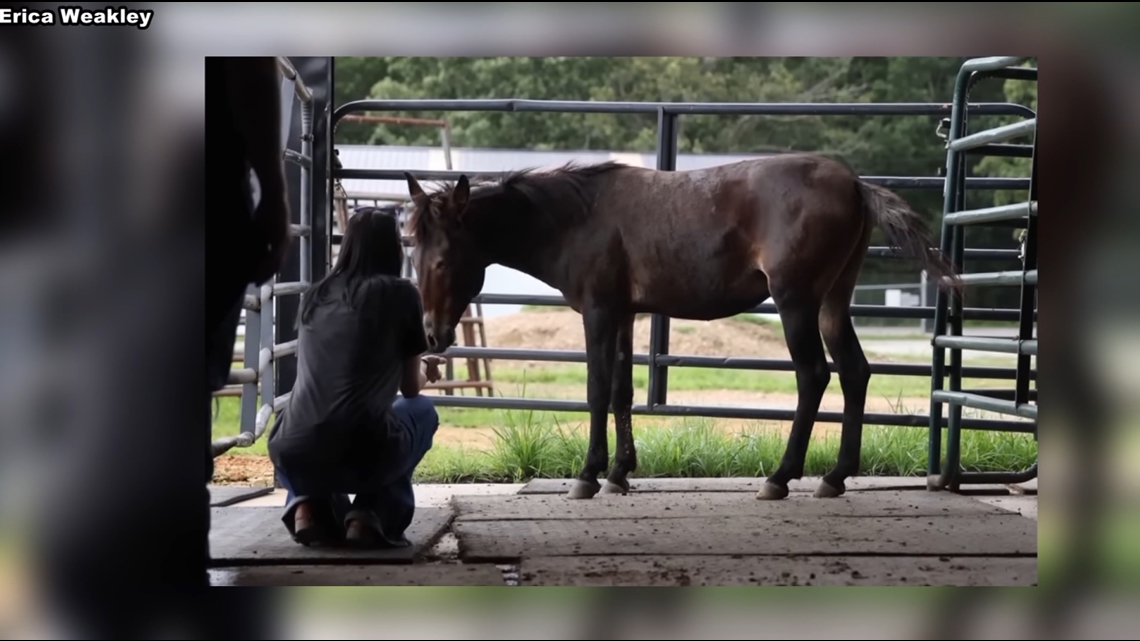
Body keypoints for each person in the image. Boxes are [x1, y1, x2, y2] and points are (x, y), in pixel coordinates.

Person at [267, 208, 444, 548]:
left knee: (303, 421)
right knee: (421, 411)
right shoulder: (401, 294)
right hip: (363, 449)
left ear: (347, 245)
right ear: (394, 248)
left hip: (293, 448)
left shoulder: (315, 295)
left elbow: (329, 372)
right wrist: (426, 368)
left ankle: (307, 505)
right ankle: (371, 513)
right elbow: (409, 388)